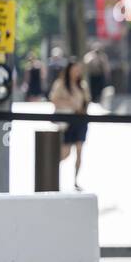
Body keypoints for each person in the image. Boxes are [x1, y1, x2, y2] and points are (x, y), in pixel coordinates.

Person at [49, 59, 91, 191]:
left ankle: (75, 181)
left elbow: (87, 101)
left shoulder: (82, 86)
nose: (76, 72)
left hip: (81, 120)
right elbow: (54, 100)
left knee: (79, 151)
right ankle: (51, 174)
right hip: (68, 121)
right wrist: (70, 104)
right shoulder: (61, 84)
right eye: (74, 69)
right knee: (65, 152)